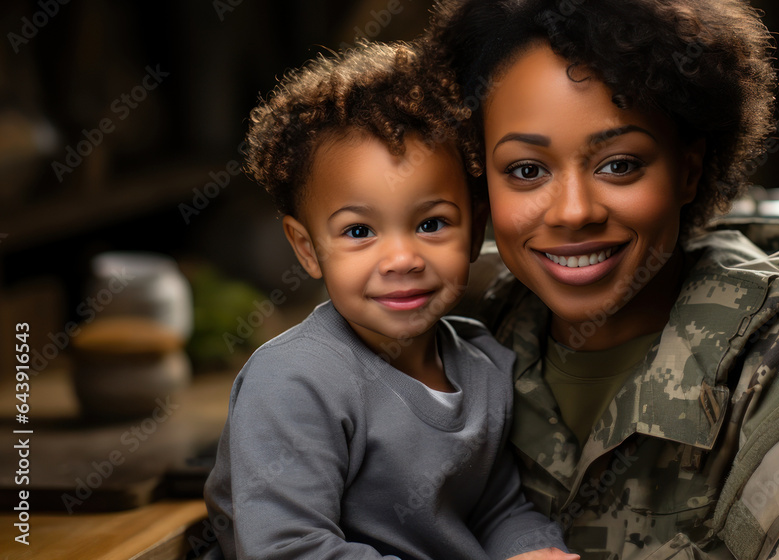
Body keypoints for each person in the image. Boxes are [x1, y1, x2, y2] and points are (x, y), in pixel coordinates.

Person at [425, 0, 779, 558]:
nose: (573, 211)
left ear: (689, 171)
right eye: (526, 170)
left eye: (619, 164)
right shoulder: (467, 343)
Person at [203, 40, 580, 560]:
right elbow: (288, 548)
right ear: (308, 249)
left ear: (474, 233)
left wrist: (531, 549)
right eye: (359, 231)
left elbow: (496, 511)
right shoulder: (293, 383)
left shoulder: (485, 366)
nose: (401, 258)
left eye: (432, 224)